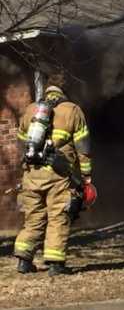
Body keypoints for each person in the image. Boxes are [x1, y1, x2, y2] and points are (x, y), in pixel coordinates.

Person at [13, 76, 93, 276]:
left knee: (34, 219)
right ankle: (56, 264)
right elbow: (83, 148)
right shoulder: (72, 111)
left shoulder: (31, 110)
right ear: (65, 91)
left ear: (47, 89)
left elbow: (21, 142)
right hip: (58, 176)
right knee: (58, 217)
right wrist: (86, 176)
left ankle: (23, 260)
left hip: (32, 175)